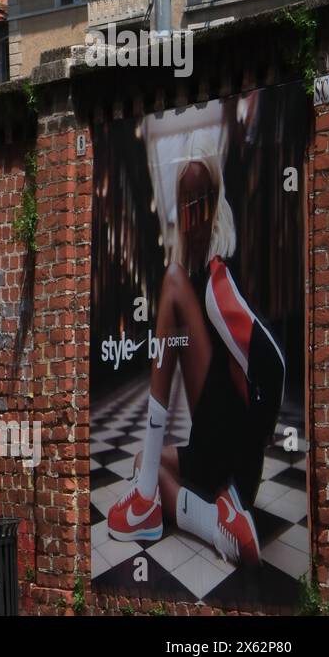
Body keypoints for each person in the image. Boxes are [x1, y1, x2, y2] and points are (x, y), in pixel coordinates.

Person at [107, 129, 286, 567]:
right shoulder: (201, 273)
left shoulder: (215, 280)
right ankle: (215, 522)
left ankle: (162, 505)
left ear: (216, 199)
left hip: (230, 456)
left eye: (201, 201)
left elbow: (276, 365)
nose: (193, 215)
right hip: (209, 446)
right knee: (142, 464)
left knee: (170, 281)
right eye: (185, 203)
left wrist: (256, 440)